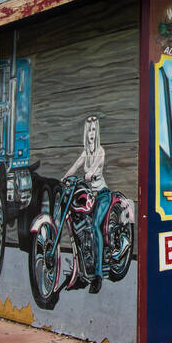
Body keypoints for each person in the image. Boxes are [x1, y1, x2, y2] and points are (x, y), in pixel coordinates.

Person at [63, 116, 110, 292]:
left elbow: (93, 168)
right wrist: (65, 177)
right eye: (89, 130)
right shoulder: (85, 153)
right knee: (80, 229)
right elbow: (74, 167)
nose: (91, 133)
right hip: (89, 196)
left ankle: (98, 275)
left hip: (102, 195)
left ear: (97, 132)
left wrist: (90, 173)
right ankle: (82, 272)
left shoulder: (100, 152)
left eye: (94, 130)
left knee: (95, 227)